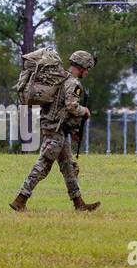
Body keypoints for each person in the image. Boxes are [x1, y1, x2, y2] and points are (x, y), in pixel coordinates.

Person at [10, 50, 100, 212]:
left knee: (68, 167)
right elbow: (71, 106)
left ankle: (79, 204)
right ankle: (20, 199)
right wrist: (84, 111)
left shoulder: (62, 79)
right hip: (56, 130)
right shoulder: (73, 83)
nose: (87, 72)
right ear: (81, 66)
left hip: (55, 128)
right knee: (43, 165)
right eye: (87, 68)